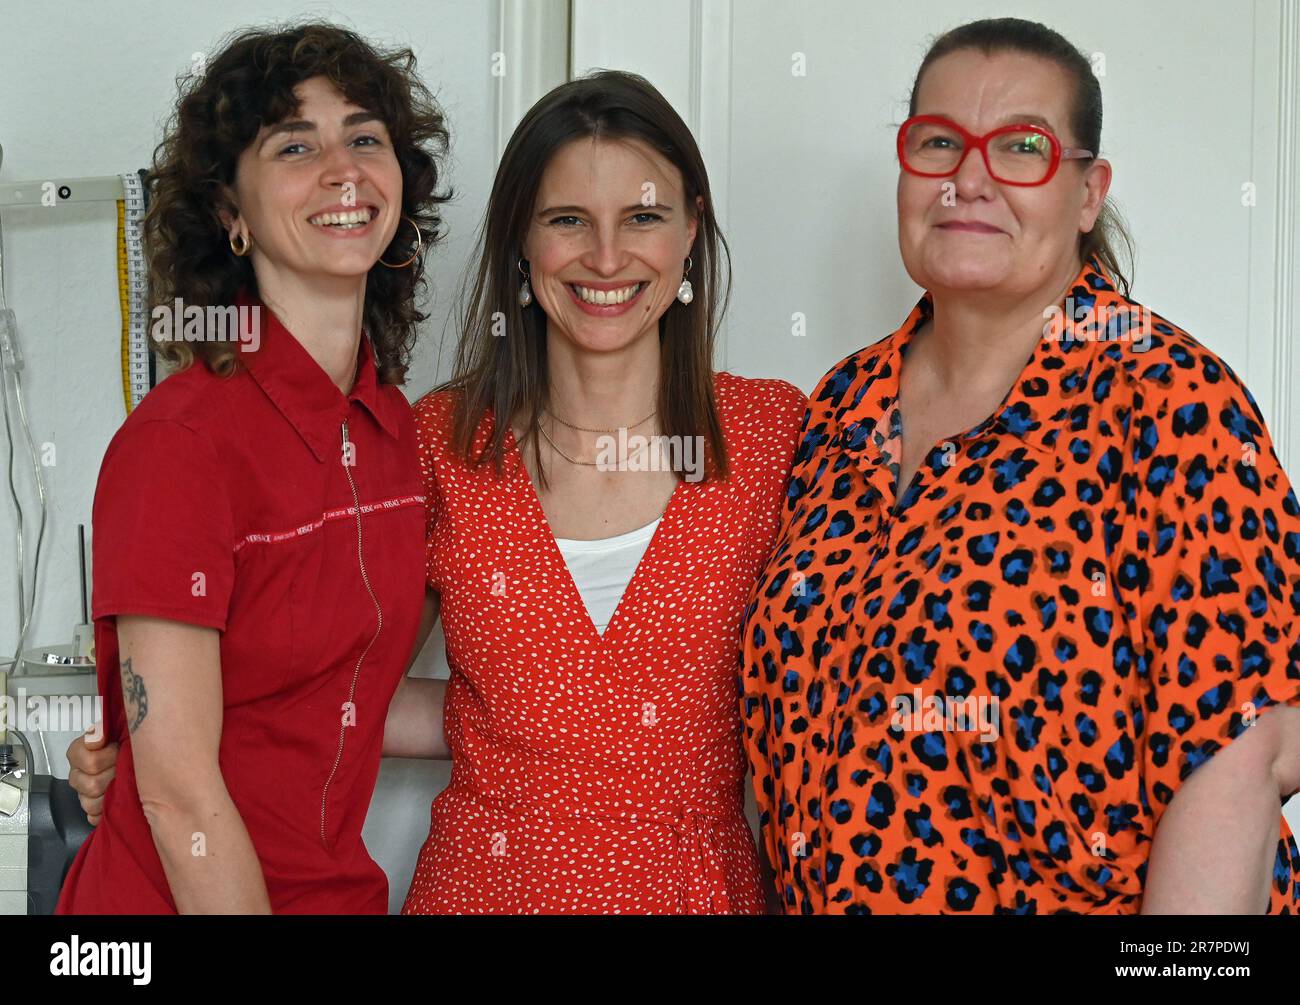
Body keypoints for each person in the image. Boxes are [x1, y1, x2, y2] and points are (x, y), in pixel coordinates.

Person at [69, 69, 807, 914]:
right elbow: (345, 688)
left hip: (696, 890)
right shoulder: (440, 442)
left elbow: (835, 689)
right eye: (567, 220)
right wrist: (157, 750)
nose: (607, 256)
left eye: (642, 216)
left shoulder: (775, 434)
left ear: (691, 229)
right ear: (521, 244)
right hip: (482, 888)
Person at [740, 17, 1300, 914]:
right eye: (937, 143)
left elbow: (1241, 753)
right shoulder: (840, 409)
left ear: (1088, 193)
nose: (969, 178)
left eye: (1022, 147)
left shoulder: (1172, 401)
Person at [56, 21, 449, 913]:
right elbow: (179, 789)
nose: (342, 169)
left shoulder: (395, 435)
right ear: (230, 214)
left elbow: (349, 701)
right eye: (294, 146)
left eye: (363, 137)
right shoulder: (180, 447)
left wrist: (585, 725)